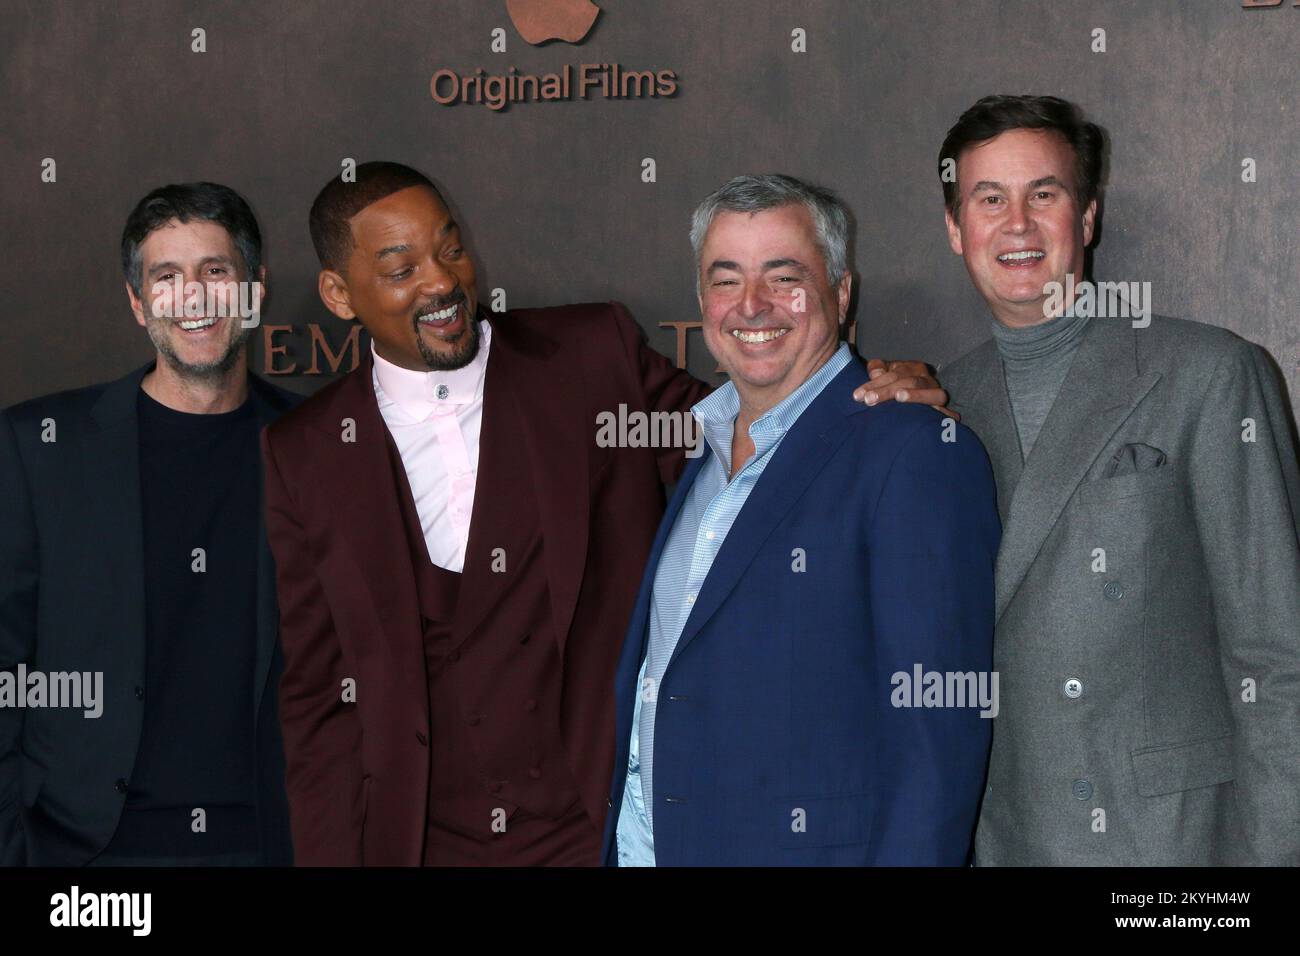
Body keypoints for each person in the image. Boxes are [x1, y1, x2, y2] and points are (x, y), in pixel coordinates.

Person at [261, 162, 916, 865]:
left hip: (598, 830)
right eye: (401, 268)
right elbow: (320, 703)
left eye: (450, 248)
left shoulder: (588, 360)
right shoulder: (306, 453)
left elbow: (749, 441)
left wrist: (868, 400)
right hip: (421, 845)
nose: (442, 282)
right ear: (338, 293)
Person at [933, 94, 1300, 865]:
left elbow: (1278, 658)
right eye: (989, 199)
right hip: (1002, 843)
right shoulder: (937, 409)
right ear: (955, 229)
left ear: (1088, 217)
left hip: (1170, 853)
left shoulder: (1209, 373)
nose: (1019, 224)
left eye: (1046, 194)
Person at [601, 174, 1001, 866]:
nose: (751, 305)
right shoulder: (701, 448)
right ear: (702, 302)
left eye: (783, 276)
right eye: (726, 281)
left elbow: (936, 744)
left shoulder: (912, 450)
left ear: (842, 293)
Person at [0, 182, 297, 866]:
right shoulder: (40, 447)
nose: (193, 297)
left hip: (268, 844)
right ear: (139, 303)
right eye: (167, 277)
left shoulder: (316, 446)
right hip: (88, 854)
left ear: (254, 290)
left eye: (215, 272)